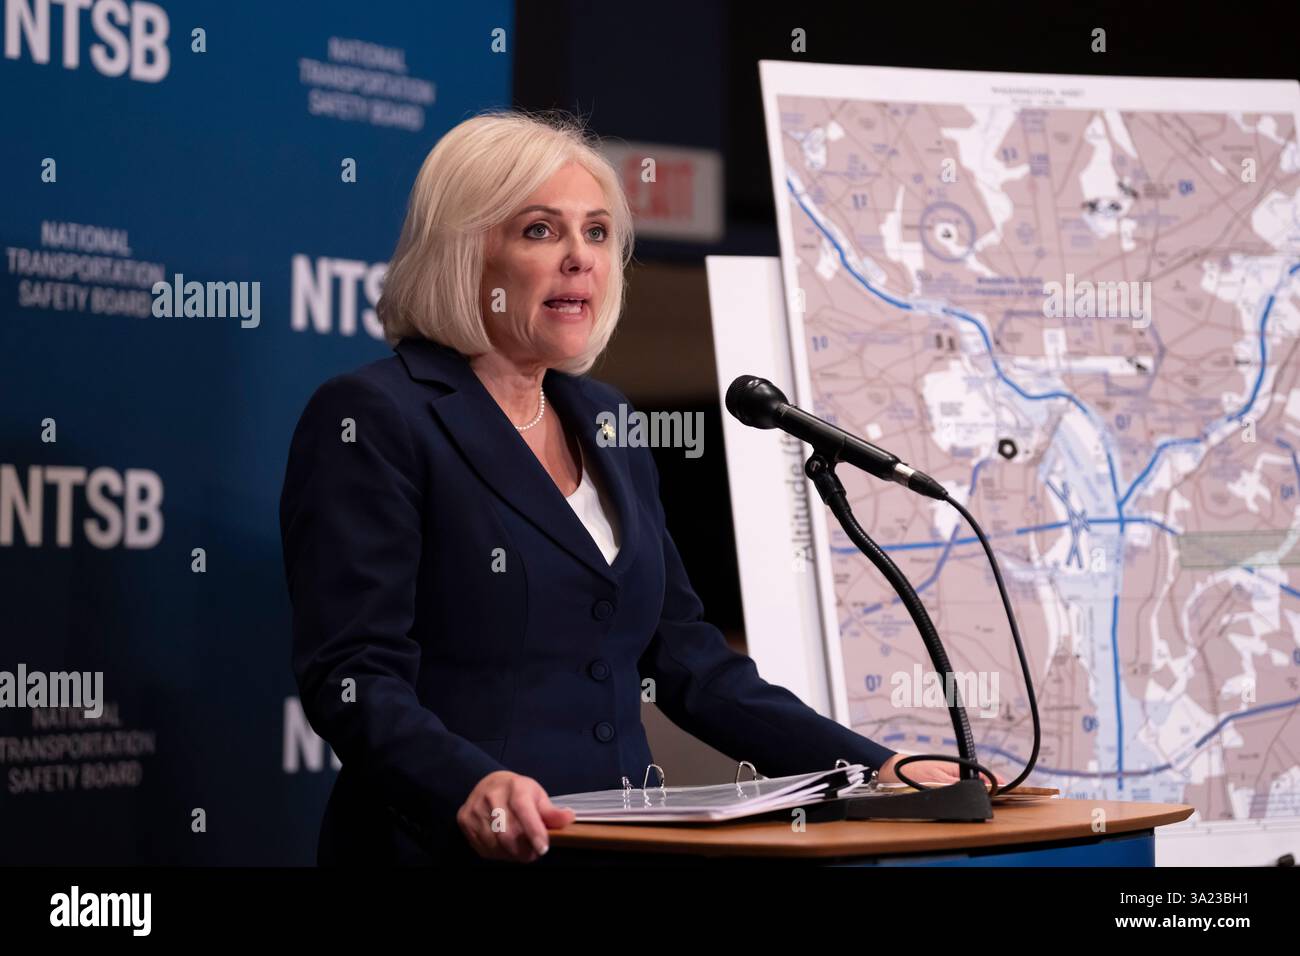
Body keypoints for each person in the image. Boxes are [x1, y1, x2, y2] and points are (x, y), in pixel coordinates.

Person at [279, 108, 966, 866]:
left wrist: (870, 767)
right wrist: (467, 784)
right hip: (446, 850)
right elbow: (353, 674)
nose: (582, 258)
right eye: (540, 231)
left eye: (598, 233)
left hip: (625, 846)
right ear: (463, 251)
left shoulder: (607, 418)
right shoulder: (377, 416)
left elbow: (688, 660)